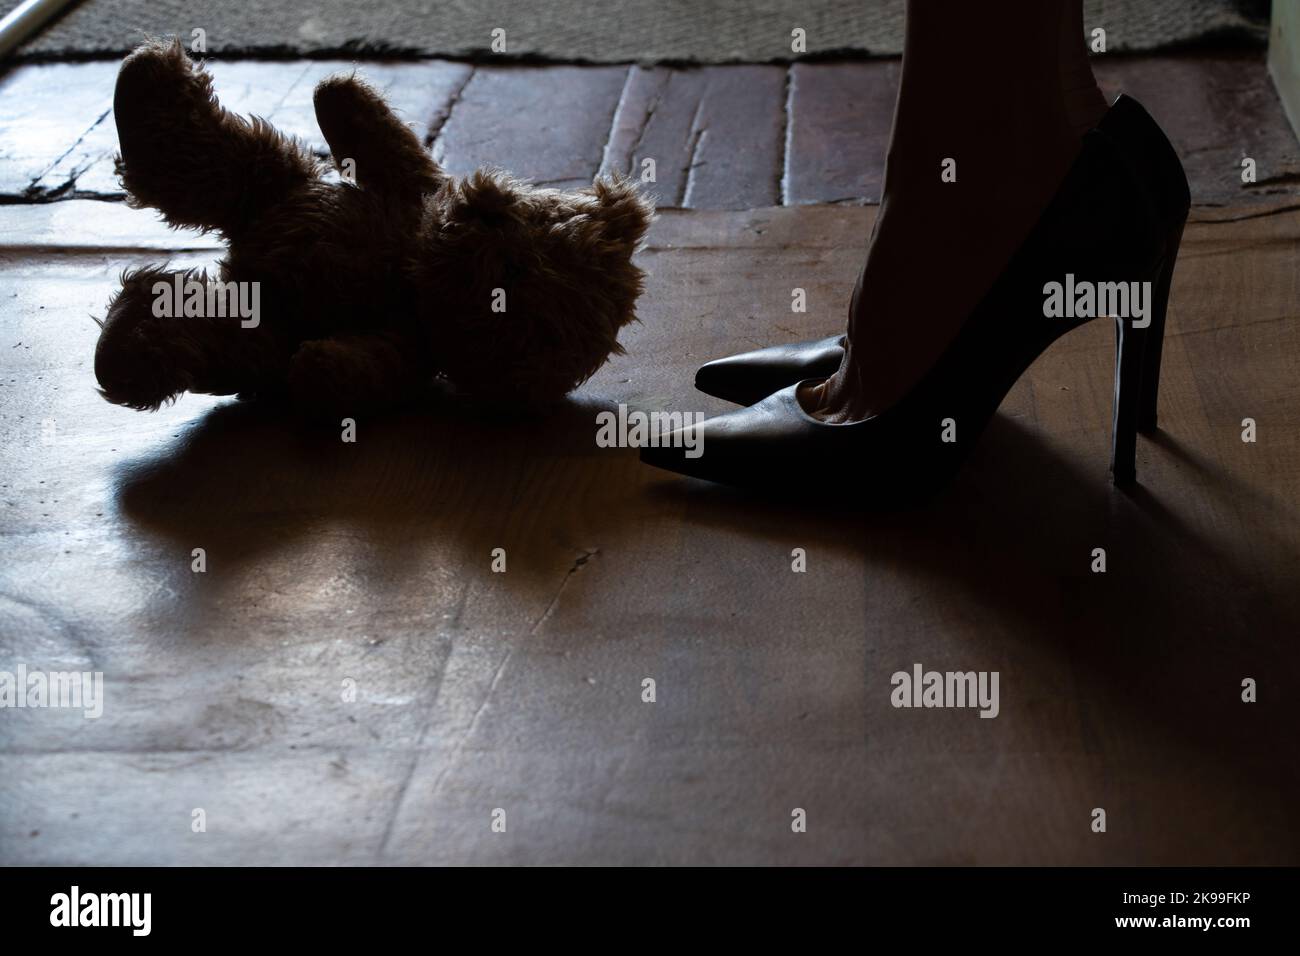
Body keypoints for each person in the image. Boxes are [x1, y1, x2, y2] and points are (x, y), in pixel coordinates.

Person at [641, 0, 1189, 496]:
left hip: (1011, 203)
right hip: (1092, 189)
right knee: (1041, 74)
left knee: (980, 126)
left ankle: (976, 202)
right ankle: (1061, 134)